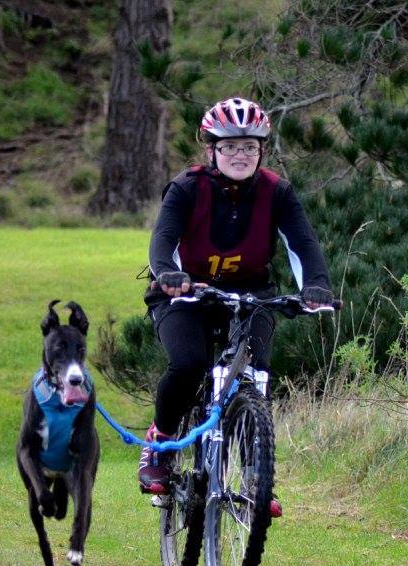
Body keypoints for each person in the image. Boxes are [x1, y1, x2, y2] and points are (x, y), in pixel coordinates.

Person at [138, 96, 334, 493]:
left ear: (261, 150)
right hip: (187, 293)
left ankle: (256, 481)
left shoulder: (277, 191)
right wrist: (169, 274)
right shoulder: (186, 188)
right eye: (229, 146)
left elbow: (303, 242)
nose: (240, 154)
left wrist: (316, 286)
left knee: (256, 374)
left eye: (249, 146)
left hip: (252, 295)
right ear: (212, 150)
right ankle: (160, 445)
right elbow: (163, 241)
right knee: (189, 364)